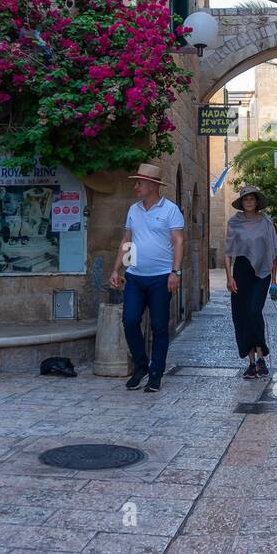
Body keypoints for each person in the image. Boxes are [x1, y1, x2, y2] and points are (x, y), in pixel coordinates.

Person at [109, 163, 185, 393]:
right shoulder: (134, 210)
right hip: (135, 276)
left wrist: (176, 272)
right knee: (130, 321)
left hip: (161, 278)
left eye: (139, 183)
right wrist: (116, 270)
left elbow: (178, 242)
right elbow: (127, 241)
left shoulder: (170, 209)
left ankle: (156, 374)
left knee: (159, 326)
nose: (135, 187)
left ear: (152, 185)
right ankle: (141, 365)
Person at [225, 185, 277, 379]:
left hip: (262, 273)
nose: (248, 201)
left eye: (252, 198)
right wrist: (229, 277)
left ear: (257, 201)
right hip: (241, 271)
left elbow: (273, 251)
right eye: (245, 199)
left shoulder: (266, 221)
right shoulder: (234, 223)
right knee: (242, 316)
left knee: (254, 311)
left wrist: (274, 279)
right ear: (242, 203)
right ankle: (251, 362)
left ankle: (262, 354)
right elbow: (228, 252)